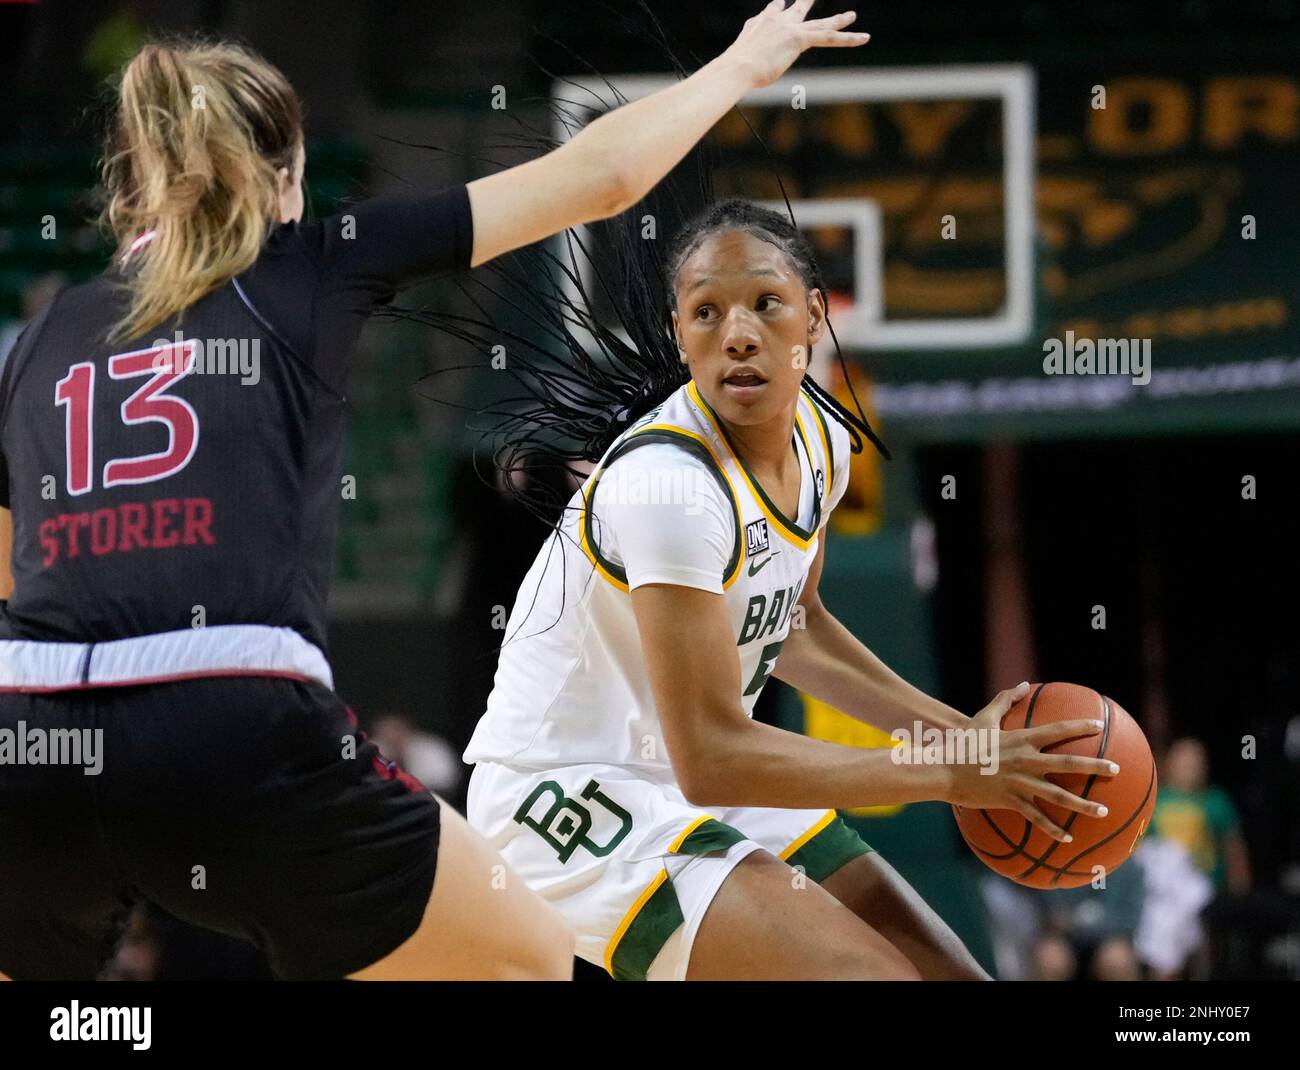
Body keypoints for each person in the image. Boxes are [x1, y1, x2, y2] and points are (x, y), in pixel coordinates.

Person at [0, 1, 870, 981]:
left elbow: (11, 570)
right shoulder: (307, 260)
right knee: (527, 957)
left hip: (33, 728)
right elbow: (601, 174)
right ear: (282, 176)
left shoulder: (41, 338)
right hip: (232, 711)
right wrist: (739, 64)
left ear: (133, 186)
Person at [458, 198, 1120, 981]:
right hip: (570, 790)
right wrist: (950, 773)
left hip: (699, 773)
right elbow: (711, 754)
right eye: (706, 311)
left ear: (812, 317)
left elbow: (796, 626)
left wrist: (964, 740)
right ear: (679, 334)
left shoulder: (825, 438)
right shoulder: (668, 488)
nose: (737, 332)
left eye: (765, 303)